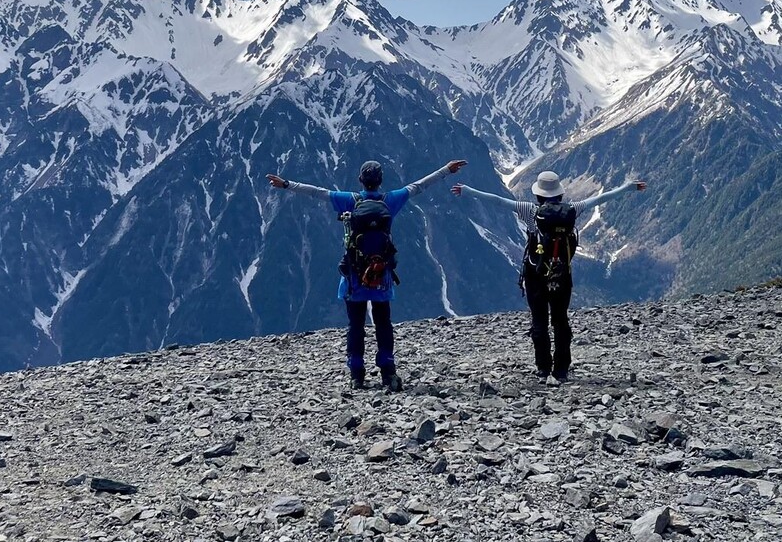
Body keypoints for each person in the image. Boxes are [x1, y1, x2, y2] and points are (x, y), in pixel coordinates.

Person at [266, 158, 467, 391]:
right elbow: (418, 186)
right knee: (383, 324)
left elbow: (318, 193)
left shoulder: (349, 201)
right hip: (381, 276)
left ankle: (357, 374)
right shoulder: (390, 200)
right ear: (381, 180)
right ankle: (388, 372)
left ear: (360, 180)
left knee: (356, 326)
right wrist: (446, 170)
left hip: (354, 276)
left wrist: (287, 184)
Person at [453, 170, 646, 384]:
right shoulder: (572, 210)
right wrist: (628, 187)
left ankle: (543, 369)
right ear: (559, 193)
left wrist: (468, 191)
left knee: (539, 322)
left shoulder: (529, 211)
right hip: (562, 275)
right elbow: (601, 198)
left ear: (539, 194)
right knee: (560, 321)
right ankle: (561, 370)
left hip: (535, 275)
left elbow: (498, 201)